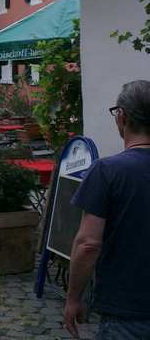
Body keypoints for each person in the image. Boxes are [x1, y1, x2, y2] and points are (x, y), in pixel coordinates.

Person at [64, 80, 150, 339]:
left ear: (122, 117)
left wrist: (73, 298)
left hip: (126, 310)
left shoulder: (107, 172)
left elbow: (88, 244)